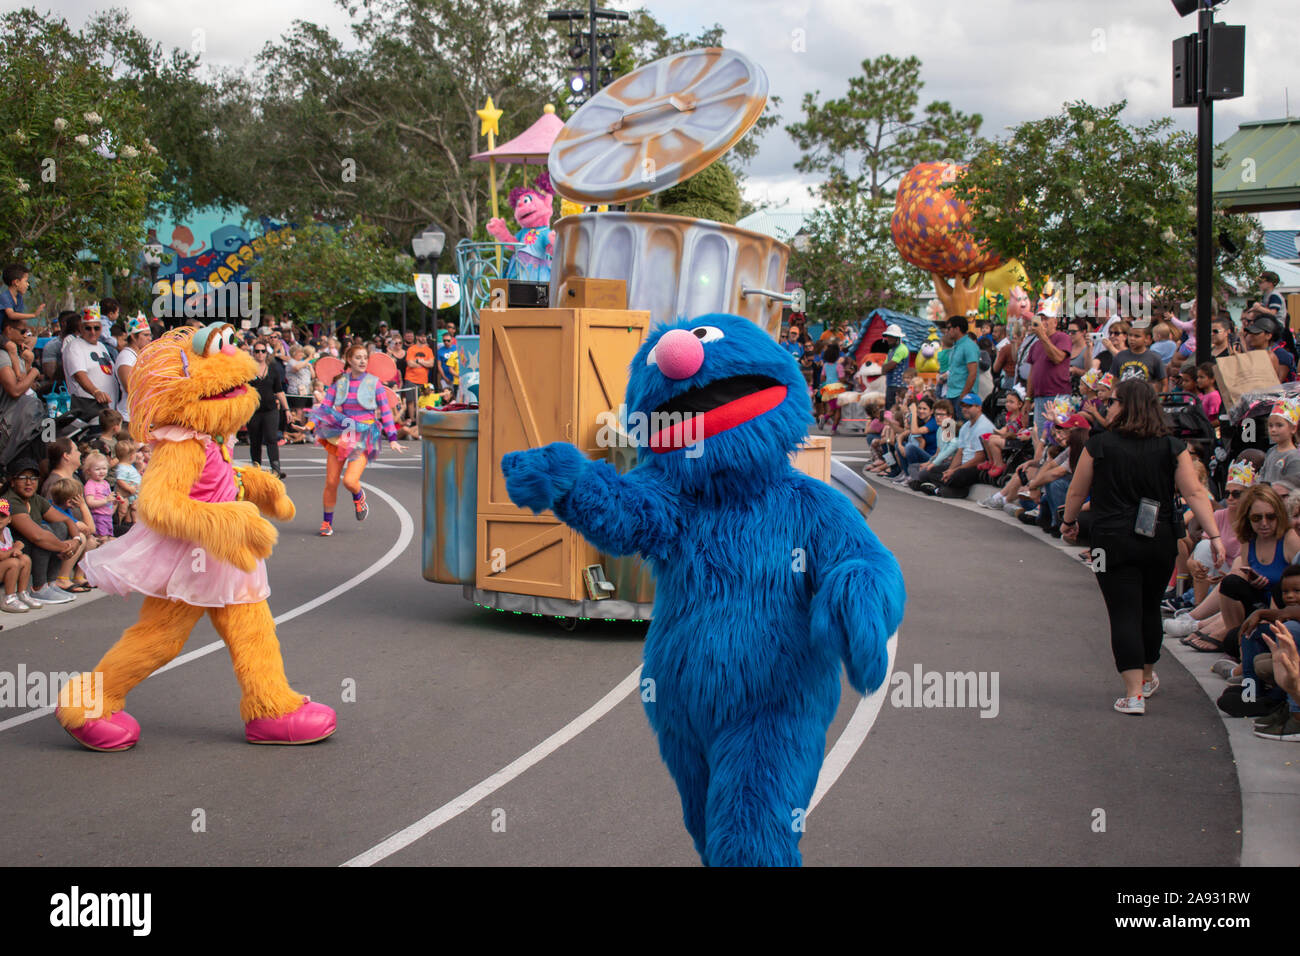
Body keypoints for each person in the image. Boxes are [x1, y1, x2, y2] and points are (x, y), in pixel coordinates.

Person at [1061, 380, 1223, 715]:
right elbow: (1194, 493)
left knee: (1122, 611)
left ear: (1126, 405)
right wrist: (1215, 535)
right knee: (1150, 606)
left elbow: (1077, 491)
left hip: (1109, 541)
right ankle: (1147, 675)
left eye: (1113, 401)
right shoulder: (1172, 446)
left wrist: (1069, 522)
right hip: (1159, 538)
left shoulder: (1100, 444)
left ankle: (1133, 693)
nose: (1108, 406)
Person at [308, 343, 406, 536]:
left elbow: (385, 412)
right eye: (358, 357)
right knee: (331, 481)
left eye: (364, 358)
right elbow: (325, 407)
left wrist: (392, 438)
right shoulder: (340, 383)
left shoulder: (374, 383)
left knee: (350, 481)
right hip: (340, 434)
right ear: (349, 360)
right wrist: (308, 425)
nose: (362, 361)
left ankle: (359, 496)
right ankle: (327, 523)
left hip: (363, 436)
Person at [4, 459, 87, 605]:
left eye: (33, 478)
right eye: (23, 478)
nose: (29, 482)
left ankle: (51, 583)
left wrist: (75, 540)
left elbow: (67, 521)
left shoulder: (36, 499)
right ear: (12, 482)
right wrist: (65, 547)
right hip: (16, 549)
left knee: (60, 527)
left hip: (33, 546)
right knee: (45, 532)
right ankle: (38, 587)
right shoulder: (9, 500)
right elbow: (37, 536)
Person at [912, 393, 995, 499]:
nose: (965, 409)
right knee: (929, 472)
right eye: (963, 406)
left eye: (969, 406)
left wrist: (953, 470)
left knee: (956, 475)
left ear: (979, 407)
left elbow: (979, 457)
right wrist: (950, 470)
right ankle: (943, 488)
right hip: (960, 463)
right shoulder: (965, 426)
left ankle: (942, 489)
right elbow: (959, 452)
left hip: (975, 466)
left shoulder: (982, 426)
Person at [1025, 305, 1072, 452]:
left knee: (1058, 437)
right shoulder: (1035, 344)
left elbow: (1057, 358)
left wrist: (1043, 336)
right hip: (1039, 398)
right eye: (1040, 318)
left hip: (1058, 396)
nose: (1042, 322)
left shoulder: (1062, 337)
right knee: (1041, 438)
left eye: (1046, 319)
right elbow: (1032, 375)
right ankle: (1040, 466)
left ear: (1055, 322)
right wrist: (1027, 399)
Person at [62, 307, 120, 423]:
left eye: (96, 328)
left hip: (108, 413)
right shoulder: (74, 346)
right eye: (88, 328)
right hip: (90, 411)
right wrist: (95, 392)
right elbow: (79, 374)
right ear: (80, 328)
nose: (92, 332)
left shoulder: (101, 346)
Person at [244, 339, 289, 479]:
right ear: (253, 353)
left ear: (266, 353)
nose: (260, 354)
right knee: (255, 440)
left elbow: (279, 391)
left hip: (270, 409)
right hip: (253, 410)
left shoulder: (273, 369)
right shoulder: (248, 371)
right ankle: (256, 468)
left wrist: (286, 409)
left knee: (271, 438)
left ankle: (276, 469)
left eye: (263, 351)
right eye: (257, 351)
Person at [112, 314, 152, 423]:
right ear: (134, 337)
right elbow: (130, 388)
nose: (150, 338)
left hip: (141, 417)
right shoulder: (126, 357)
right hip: (129, 418)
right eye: (146, 335)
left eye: (150, 335)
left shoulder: (140, 356)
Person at [0, 498, 35, 612]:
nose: (0, 519)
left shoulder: (6, 531)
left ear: (9, 519)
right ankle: (8, 598)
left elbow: (11, 551)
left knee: (25, 559)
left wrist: (16, 547)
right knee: (13, 562)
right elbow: (2, 556)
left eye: (3, 516)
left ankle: (22, 593)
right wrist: (16, 548)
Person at [1111, 320, 1166, 392]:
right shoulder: (1120, 356)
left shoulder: (1154, 358)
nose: (1132, 339)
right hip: (1124, 399)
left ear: (1147, 338)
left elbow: (1164, 384)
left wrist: (1160, 401)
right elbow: (1114, 381)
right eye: (1130, 335)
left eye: (1137, 336)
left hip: (1144, 400)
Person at [940, 316, 979, 408]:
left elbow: (973, 373)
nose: (947, 331)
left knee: (962, 423)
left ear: (957, 329)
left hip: (962, 395)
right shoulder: (955, 346)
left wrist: (964, 396)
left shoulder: (969, 346)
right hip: (951, 394)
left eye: (949, 328)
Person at [878, 324, 909, 409]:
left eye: (891, 337)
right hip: (890, 385)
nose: (889, 339)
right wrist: (885, 367)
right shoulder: (891, 350)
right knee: (889, 409)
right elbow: (884, 368)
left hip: (900, 386)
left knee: (897, 410)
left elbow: (890, 365)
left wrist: (885, 367)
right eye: (888, 337)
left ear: (897, 338)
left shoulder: (902, 349)